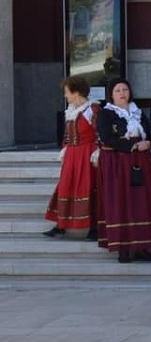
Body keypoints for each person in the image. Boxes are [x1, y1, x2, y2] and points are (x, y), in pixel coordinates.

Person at [96, 79, 151, 263]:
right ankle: (124, 249)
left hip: (142, 161)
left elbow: (150, 133)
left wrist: (149, 142)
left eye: (125, 89)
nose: (122, 93)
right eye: (118, 90)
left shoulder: (138, 112)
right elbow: (107, 138)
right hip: (118, 163)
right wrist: (133, 146)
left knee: (142, 202)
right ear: (111, 94)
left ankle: (143, 246)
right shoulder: (106, 114)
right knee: (122, 202)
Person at [44, 76, 100, 240]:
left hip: (87, 155)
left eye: (67, 92)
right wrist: (65, 149)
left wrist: (98, 151)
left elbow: (100, 132)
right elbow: (68, 135)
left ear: (76, 92)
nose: (65, 95)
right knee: (65, 187)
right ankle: (62, 225)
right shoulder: (71, 110)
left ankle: (94, 228)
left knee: (87, 189)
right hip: (72, 155)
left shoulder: (92, 109)